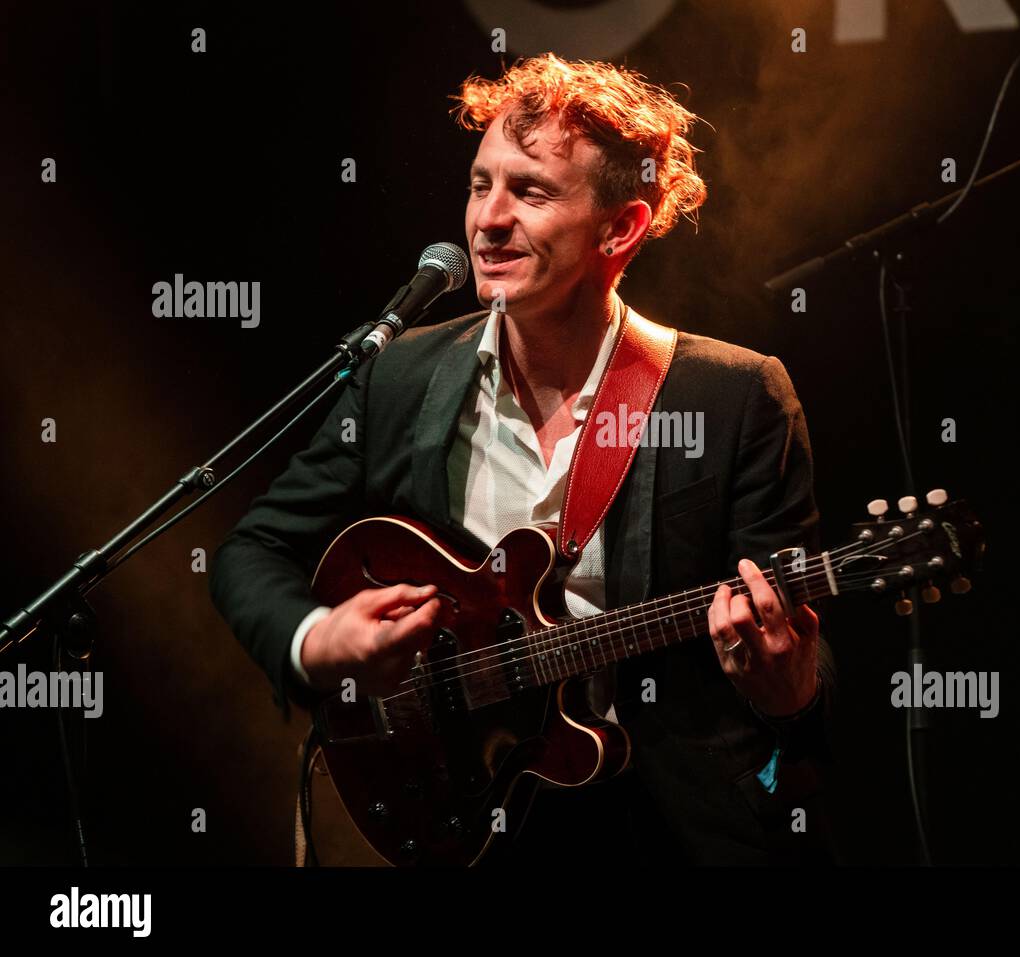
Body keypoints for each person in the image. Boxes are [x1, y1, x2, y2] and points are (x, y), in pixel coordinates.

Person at [210, 53, 837, 865]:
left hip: (665, 831)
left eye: (530, 192)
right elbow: (251, 550)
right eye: (480, 185)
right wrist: (315, 638)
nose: (488, 220)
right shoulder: (400, 375)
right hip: (467, 814)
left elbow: (805, 643)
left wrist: (789, 690)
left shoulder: (735, 398)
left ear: (622, 227)